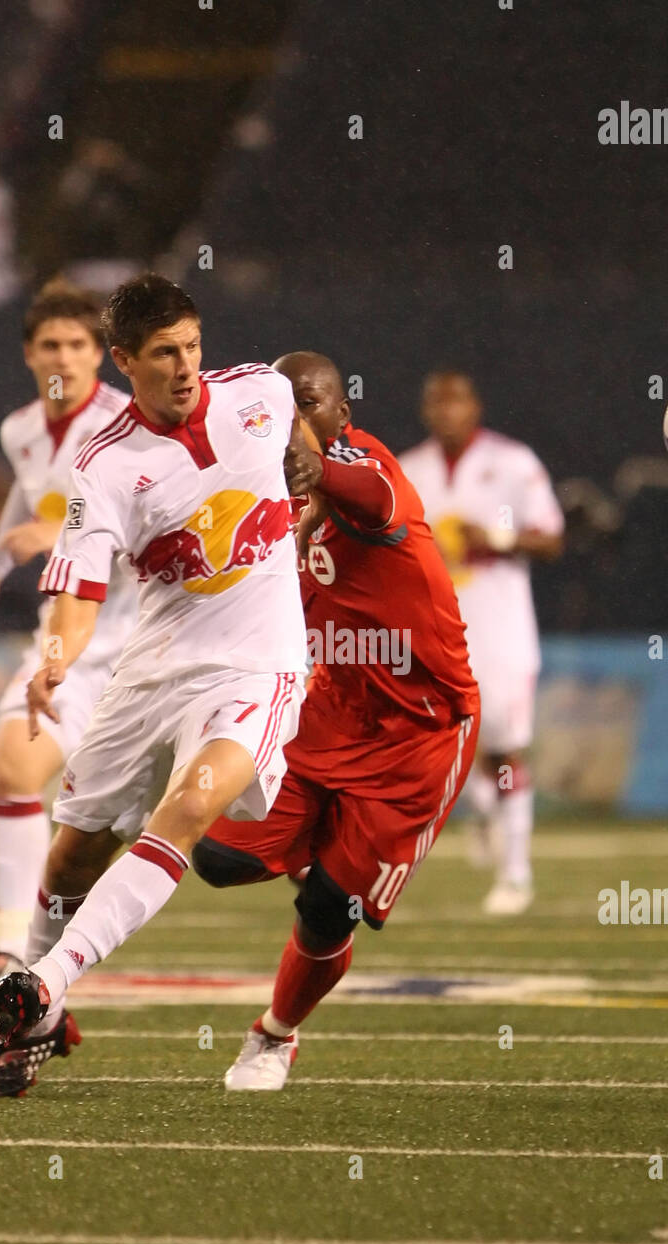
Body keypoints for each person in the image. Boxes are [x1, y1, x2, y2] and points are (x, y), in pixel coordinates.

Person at [0, 272, 307, 1098]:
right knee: (74, 853)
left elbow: (311, 429)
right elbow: (82, 594)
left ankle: (43, 987)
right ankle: (39, 1024)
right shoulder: (106, 467)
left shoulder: (261, 394)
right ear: (125, 361)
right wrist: (56, 657)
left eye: (193, 345)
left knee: (190, 809)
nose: (186, 366)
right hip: (150, 670)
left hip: (254, 667)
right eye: (164, 354)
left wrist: (321, 489)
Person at [192, 352, 480, 1091]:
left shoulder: (368, 465)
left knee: (330, 907)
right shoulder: (268, 500)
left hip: (417, 730)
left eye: (307, 404)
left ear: (340, 415)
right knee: (218, 861)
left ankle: (273, 1036)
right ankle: (319, 843)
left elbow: (370, 493)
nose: (291, 419)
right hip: (326, 715)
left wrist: (314, 467)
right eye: (276, 406)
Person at [0, 280, 133, 998]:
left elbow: (144, 522)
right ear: (30, 353)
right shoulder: (21, 428)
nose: (64, 355)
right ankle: (8, 952)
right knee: (13, 772)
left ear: (100, 356)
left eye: (78, 344)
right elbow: (29, 504)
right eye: (50, 343)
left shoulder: (127, 426)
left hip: (142, 638)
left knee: (194, 826)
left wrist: (55, 533)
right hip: (66, 634)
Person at [400, 371, 564, 915]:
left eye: (457, 401)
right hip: (435, 628)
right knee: (451, 745)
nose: (447, 411)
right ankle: (483, 811)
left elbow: (551, 538)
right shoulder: (409, 469)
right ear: (426, 411)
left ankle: (516, 874)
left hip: (501, 628)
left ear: (475, 405)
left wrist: (493, 536)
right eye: (437, 402)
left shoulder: (514, 462)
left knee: (506, 746)